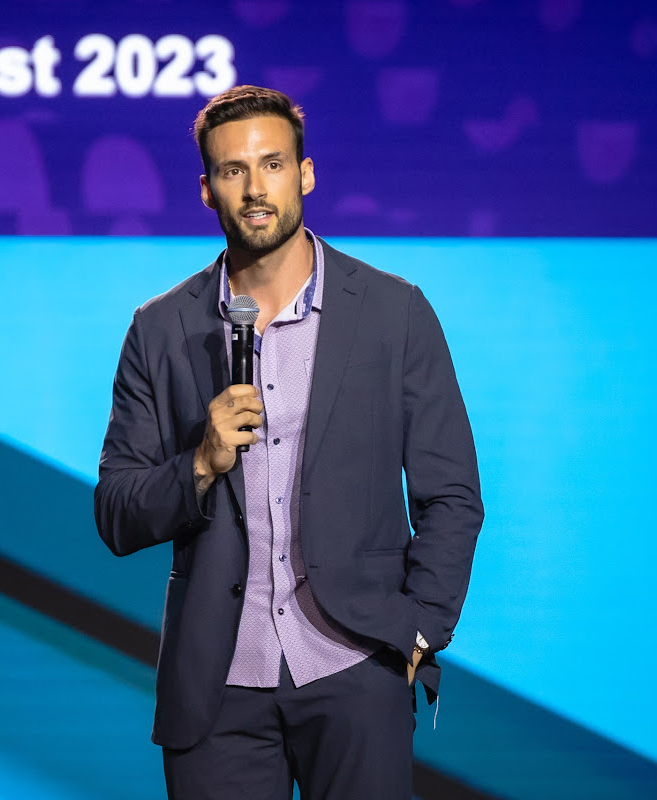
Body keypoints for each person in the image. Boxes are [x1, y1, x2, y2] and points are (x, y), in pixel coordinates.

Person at [94, 85, 483, 800]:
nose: (254, 188)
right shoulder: (160, 329)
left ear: (305, 174)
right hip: (217, 685)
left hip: (355, 664)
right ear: (207, 190)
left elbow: (451, 493)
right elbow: (117, 513)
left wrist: (421, 630)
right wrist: (200, 463)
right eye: (233, 170)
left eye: (271, 165)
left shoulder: (393, 312)